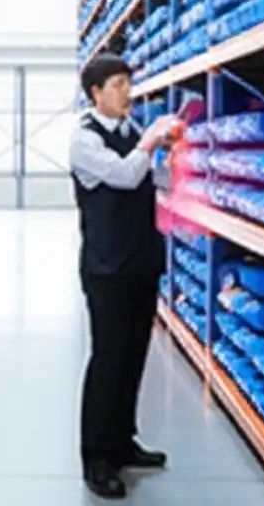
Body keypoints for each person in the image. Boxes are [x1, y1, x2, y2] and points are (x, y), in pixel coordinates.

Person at [68, 53, 179, 500]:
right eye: (117, 84)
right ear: (96, 93)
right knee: (108, 359)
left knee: (133, 357)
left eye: (128, 83)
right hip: (106, 268)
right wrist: (150, 144)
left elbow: (157, 183)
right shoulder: (84, 140)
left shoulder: (133, 133)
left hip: (140, 262)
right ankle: (97, 456)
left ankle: (122, 441)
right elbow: (124, 175)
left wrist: (169, 153)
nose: (127, 92)